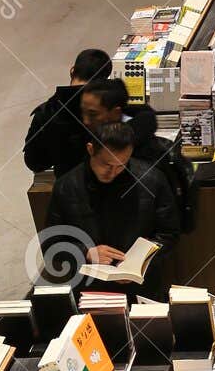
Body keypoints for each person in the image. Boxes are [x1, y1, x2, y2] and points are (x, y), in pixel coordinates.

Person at [44, 123, 180, 297]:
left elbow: (169, 233)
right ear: (91, 149)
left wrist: (140, 260)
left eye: (121, 165)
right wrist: (86, 252)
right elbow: (51, 244)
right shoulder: (67, 186)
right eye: (107, 165)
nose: (113, 172)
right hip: (90, 289)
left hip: (142, 285)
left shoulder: (152, 180)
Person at [23, 47, 113, 176]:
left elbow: (34, 162)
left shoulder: (46, 112)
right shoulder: (109, 110)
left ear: (72, 71)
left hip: (67, 187)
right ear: (104, 81)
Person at [79, 76, 163, 167]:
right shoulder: (88, 136)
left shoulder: (143, 150)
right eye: (83, 112)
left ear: (116, 113)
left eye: (93, 114)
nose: (85, 121)